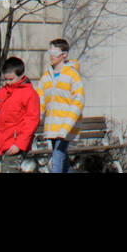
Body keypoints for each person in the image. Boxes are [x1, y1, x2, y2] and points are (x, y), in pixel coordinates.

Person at [0, 57, 40, 173]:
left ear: (21, 75)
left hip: (16, 144)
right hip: (3, 143)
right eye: (5, 79)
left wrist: (20, 144)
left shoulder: (29, 94)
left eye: (11, 79)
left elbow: (31, 122)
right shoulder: (1, 93)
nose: (8, 82)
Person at [36, 38, 85, 173]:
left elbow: (78, 101)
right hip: (52, 126)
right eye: (50, 51)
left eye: (55, 51)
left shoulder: (72, 75)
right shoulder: (45, 77)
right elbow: (39, 101)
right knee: (62, 160)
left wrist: (66, 126)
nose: (51, 55)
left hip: (66, 128)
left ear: (64, 54)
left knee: (56, 161)